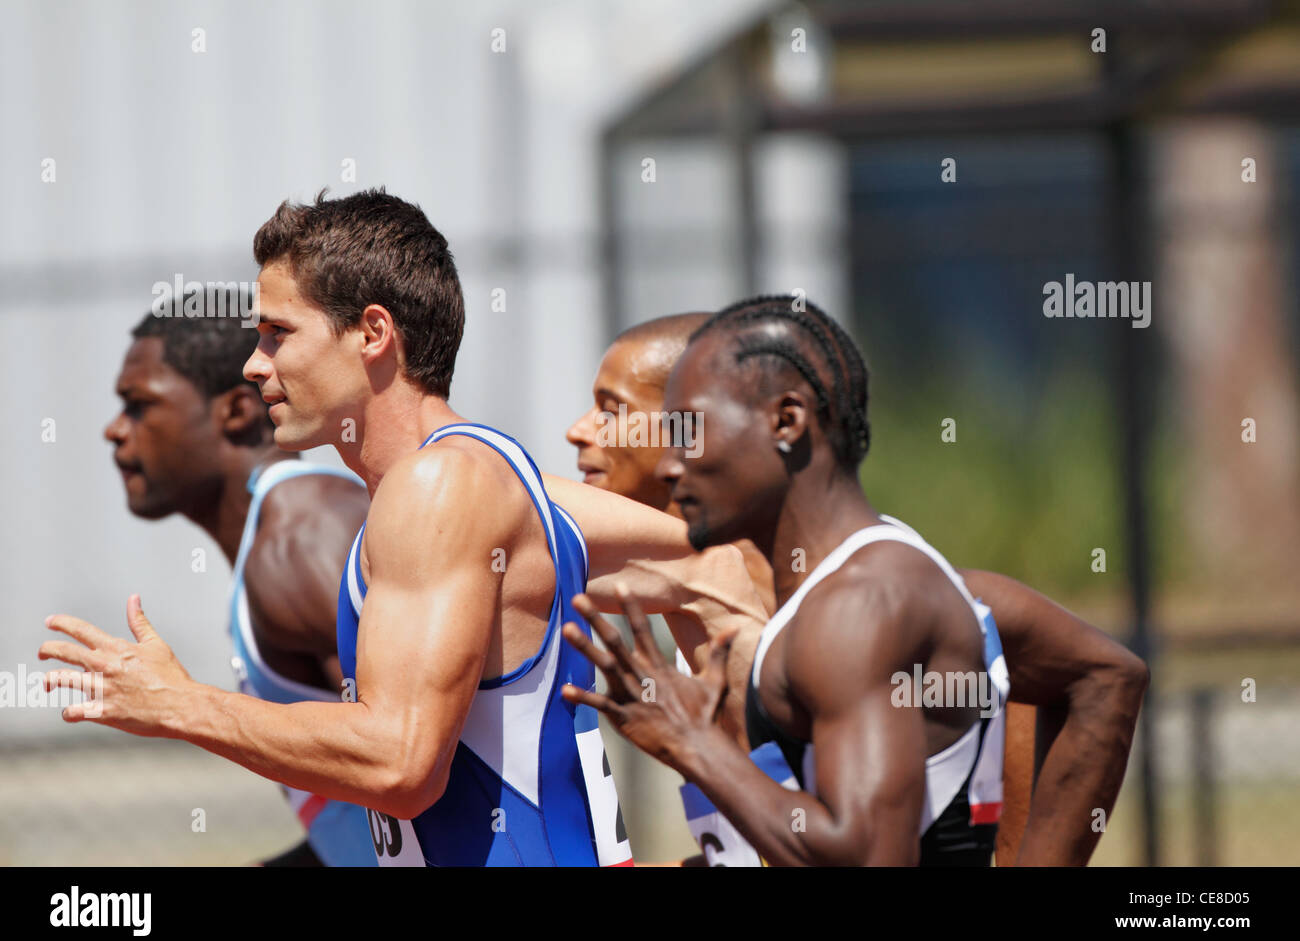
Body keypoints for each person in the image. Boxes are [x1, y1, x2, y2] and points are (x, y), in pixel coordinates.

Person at [40, 188, 766, 867]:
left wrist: (181, 704)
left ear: (373, 334)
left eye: (278, 335)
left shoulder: (437, 486)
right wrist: (736, 827)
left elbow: (400, 762)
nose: (253, 364)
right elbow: (719, 569)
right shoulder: (492, 480)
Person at [563, 295, 1148, 865]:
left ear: (786, 422)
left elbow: (869, 854)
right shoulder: (817, 600)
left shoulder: (863, 605)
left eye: (614, 410)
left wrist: (695, 745)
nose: (578, 431)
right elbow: (1106, 675)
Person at [106, 300, 373, 866]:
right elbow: (369, 815)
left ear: (232, 411)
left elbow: (413, 767)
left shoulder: (302, 542)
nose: (114, 431)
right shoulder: (278, 536)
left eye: (138, 406)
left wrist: (185, 707)